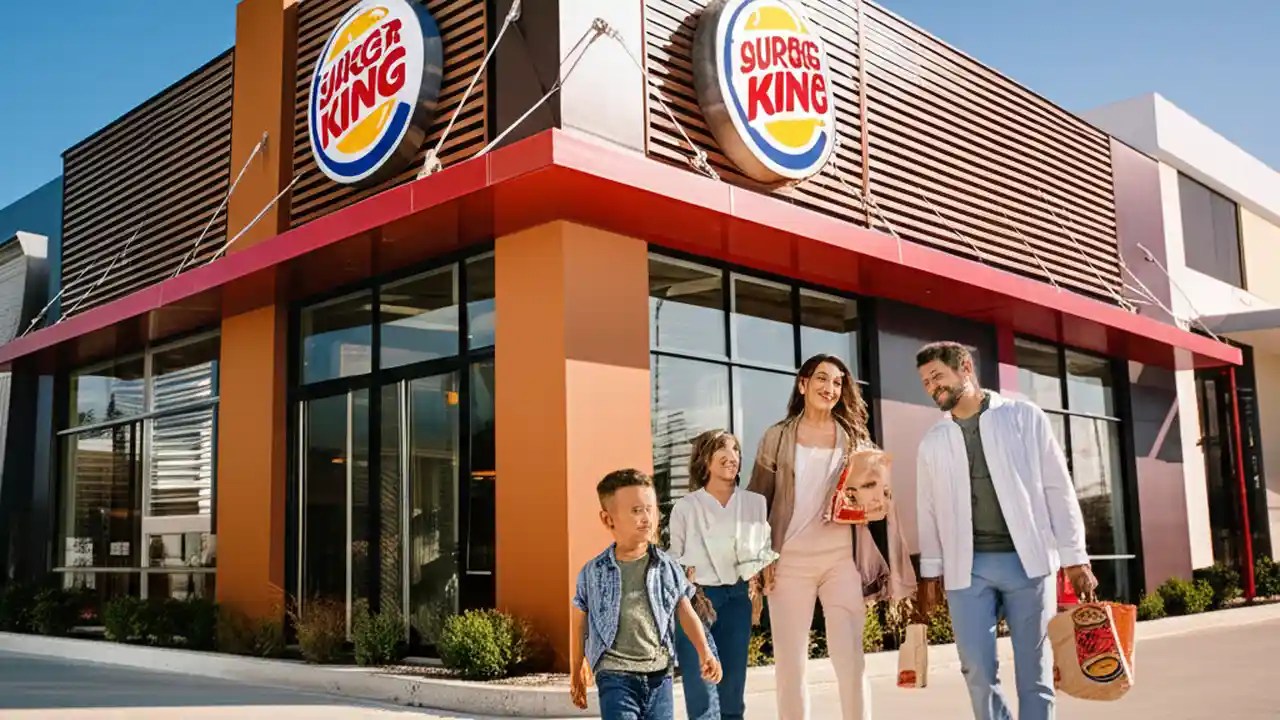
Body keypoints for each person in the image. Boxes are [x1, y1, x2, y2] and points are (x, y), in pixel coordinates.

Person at [914, 341, 1099, 720]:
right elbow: (927, 508)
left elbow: (1057, 488)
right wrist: (930, 572)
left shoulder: (1024, 416)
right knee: (977, 670)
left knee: (1036, 671)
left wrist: (1075, 558)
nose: (932, 387)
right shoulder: (932, 441)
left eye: (937, 376)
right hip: (968, 569)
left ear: (965, 366)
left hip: (1028, 562)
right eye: (926, 383)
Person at [748, 354, 916, 720]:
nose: (830, 388)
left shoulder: (855, 439)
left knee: (851, 662)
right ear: (803, 384)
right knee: (791, 669)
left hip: (842, 561)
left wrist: (871, 497)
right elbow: (757, 501)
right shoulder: (776, 437)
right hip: (788, 563)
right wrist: (759, 559)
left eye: (838, 382)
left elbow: (880, 502)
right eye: (822, 379)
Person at [570, 469, 723, 719]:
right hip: (615, 676)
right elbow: (579, 622)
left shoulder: (666, 567)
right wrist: (577, 667)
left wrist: (705, 652)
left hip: (659, 676)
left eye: (650, 509)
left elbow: (686, 613)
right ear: (608, 520)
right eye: (636, 510)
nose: (646, 518)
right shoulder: (593, 572)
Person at [669, 429, 779, 720]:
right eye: (723, 449)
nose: (732, 456)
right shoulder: (686, 507)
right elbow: (674, 556)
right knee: (702, 694)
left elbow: (762, 549)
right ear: (705, 460)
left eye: (736, 450)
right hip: (697, 602)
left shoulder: (755, 504)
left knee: (732, 696)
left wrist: (765, 571)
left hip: (737, 599)